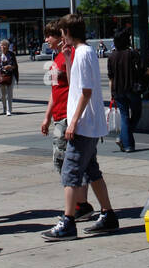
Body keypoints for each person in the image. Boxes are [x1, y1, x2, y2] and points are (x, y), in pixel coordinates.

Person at [42, 13, 119, 241]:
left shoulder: (84, 53)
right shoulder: (82, 53)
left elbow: (85, 92)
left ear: (67, 32)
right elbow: (75, 81)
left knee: (70, 172)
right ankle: (108, 214)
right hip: (87, 123)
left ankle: (68, 222)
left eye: (62, 32)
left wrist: (73, 122)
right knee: (91, 170)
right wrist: (67, 58)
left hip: (84, 124)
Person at [39, 21, 94, 219]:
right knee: (76, 163)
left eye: (50, 36)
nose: (46, 40)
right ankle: (81, 203)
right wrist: (47, 116)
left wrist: (72, 119)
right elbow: (54, 90)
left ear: (61, 36)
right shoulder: (58, 58)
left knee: (66, 162)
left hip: (67, 115)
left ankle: (80, 205)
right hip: (59, 115)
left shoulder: (71, 56)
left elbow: (78, 87)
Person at [106, 31, 146, 153]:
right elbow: (142, 69)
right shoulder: (132, 53)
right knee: (137, 114)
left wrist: (111, 93)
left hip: (118, 91)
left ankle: (127, 143)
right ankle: (124, 139)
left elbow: (111, 78)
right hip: (131, 89)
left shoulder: (111, 57)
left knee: (124, 116)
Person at [0, 38, 19, 115]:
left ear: (8, 47)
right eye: (2, 45)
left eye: (5, 46)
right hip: (0, 76)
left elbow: (15, 66)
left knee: (9, 94)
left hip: (10, 76)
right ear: (0, 46)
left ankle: (9, 110)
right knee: (2, 94)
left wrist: (10, 66)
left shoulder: (11, 54)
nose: (3, 47)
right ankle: (4, 107)